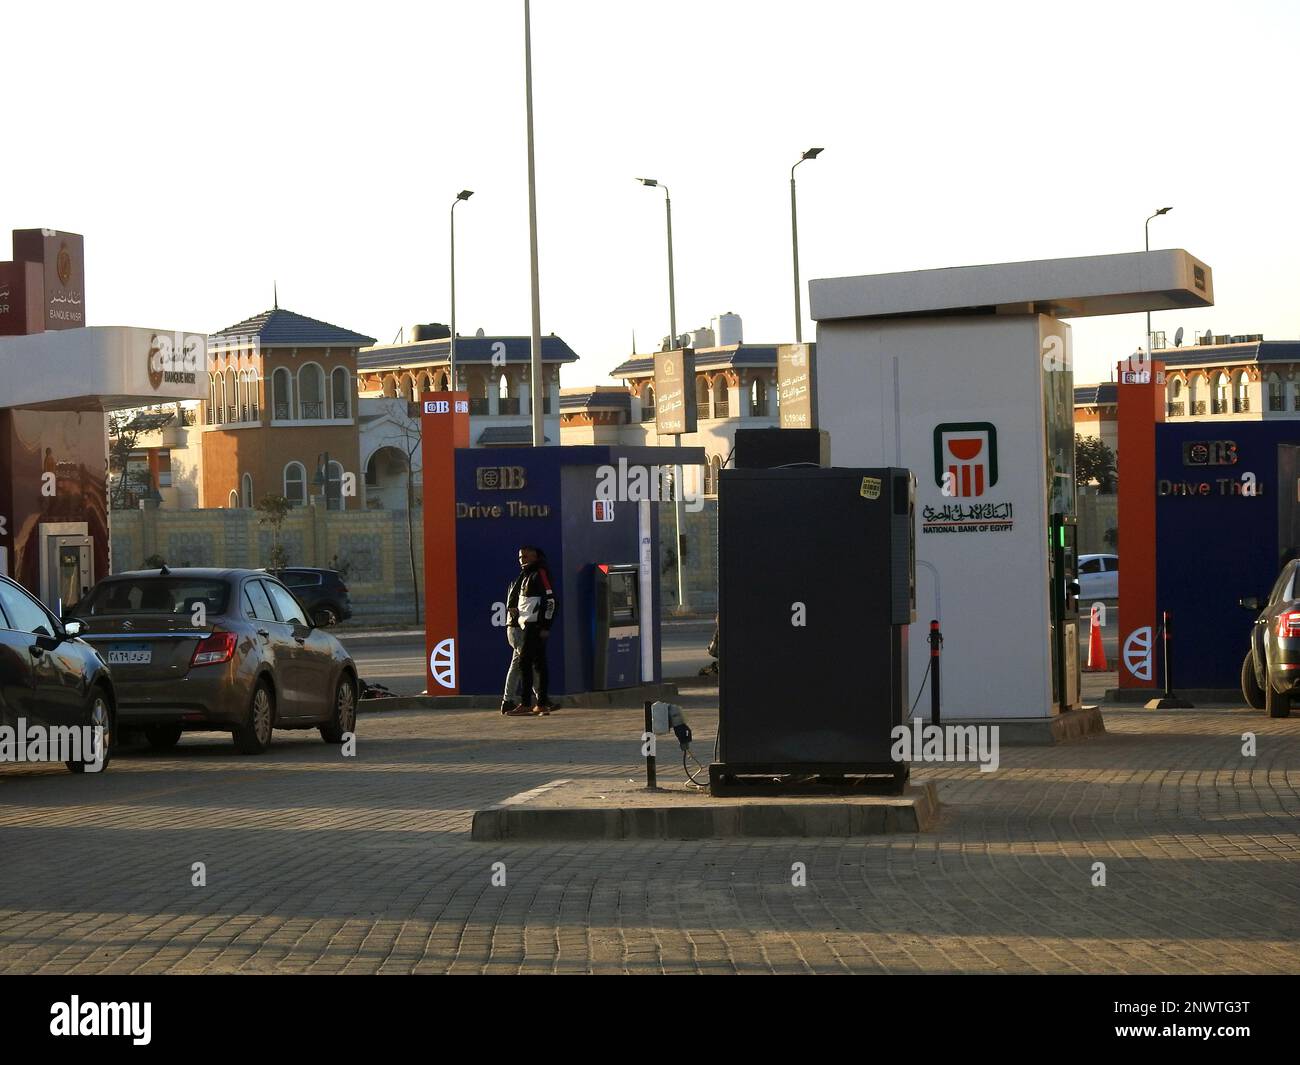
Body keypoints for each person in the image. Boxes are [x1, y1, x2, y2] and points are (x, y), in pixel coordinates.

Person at [500, 545, 558, 716]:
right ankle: (539, 701)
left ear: (534, 557)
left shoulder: (538, 574)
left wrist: (545, 625)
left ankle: (529, 702)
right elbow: (519, 602)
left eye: (525, 557)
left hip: (532, 626)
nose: (522, 560)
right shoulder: (525, 576)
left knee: (527, 663)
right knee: (531, 663)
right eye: (520, 557)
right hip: (525, 626)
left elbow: (550, 600)